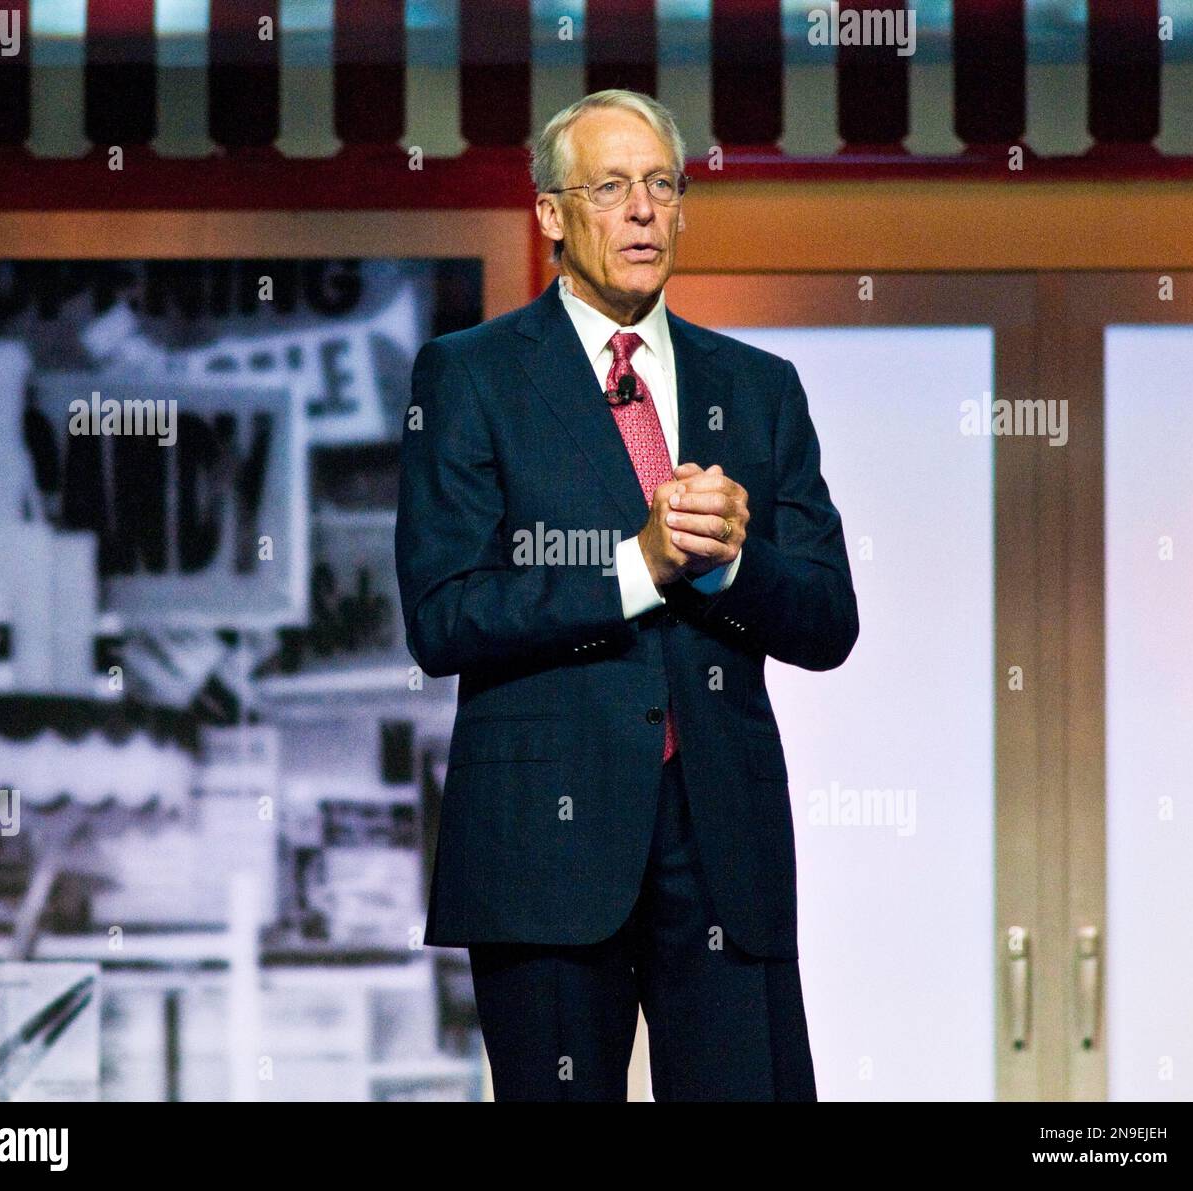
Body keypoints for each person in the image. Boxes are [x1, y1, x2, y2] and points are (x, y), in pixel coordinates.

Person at [394, 88, 859, 1101]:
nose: (643, 209)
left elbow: (828, 620)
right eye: (610, 187)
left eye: (661, 185)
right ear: (551, 214)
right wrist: (635, 567)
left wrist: (733, 560)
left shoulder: (761, 384)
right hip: (545, 849)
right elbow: (442, 614)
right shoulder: (470, 376)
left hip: (721, 839)